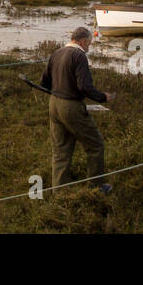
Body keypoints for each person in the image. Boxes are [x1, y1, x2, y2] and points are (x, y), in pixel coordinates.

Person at [39, 27, 113, 193]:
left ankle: (59, 191)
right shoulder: (79, 56)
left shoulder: (57, 53)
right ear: (83, 41)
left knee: (60, 150)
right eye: (89, 44)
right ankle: (97, 187)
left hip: (54, 104)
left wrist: (60, 88)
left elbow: (43, 82)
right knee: (96, 145)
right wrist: (103, 97)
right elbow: (85, 87)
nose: (89, 47)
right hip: (71, 107)